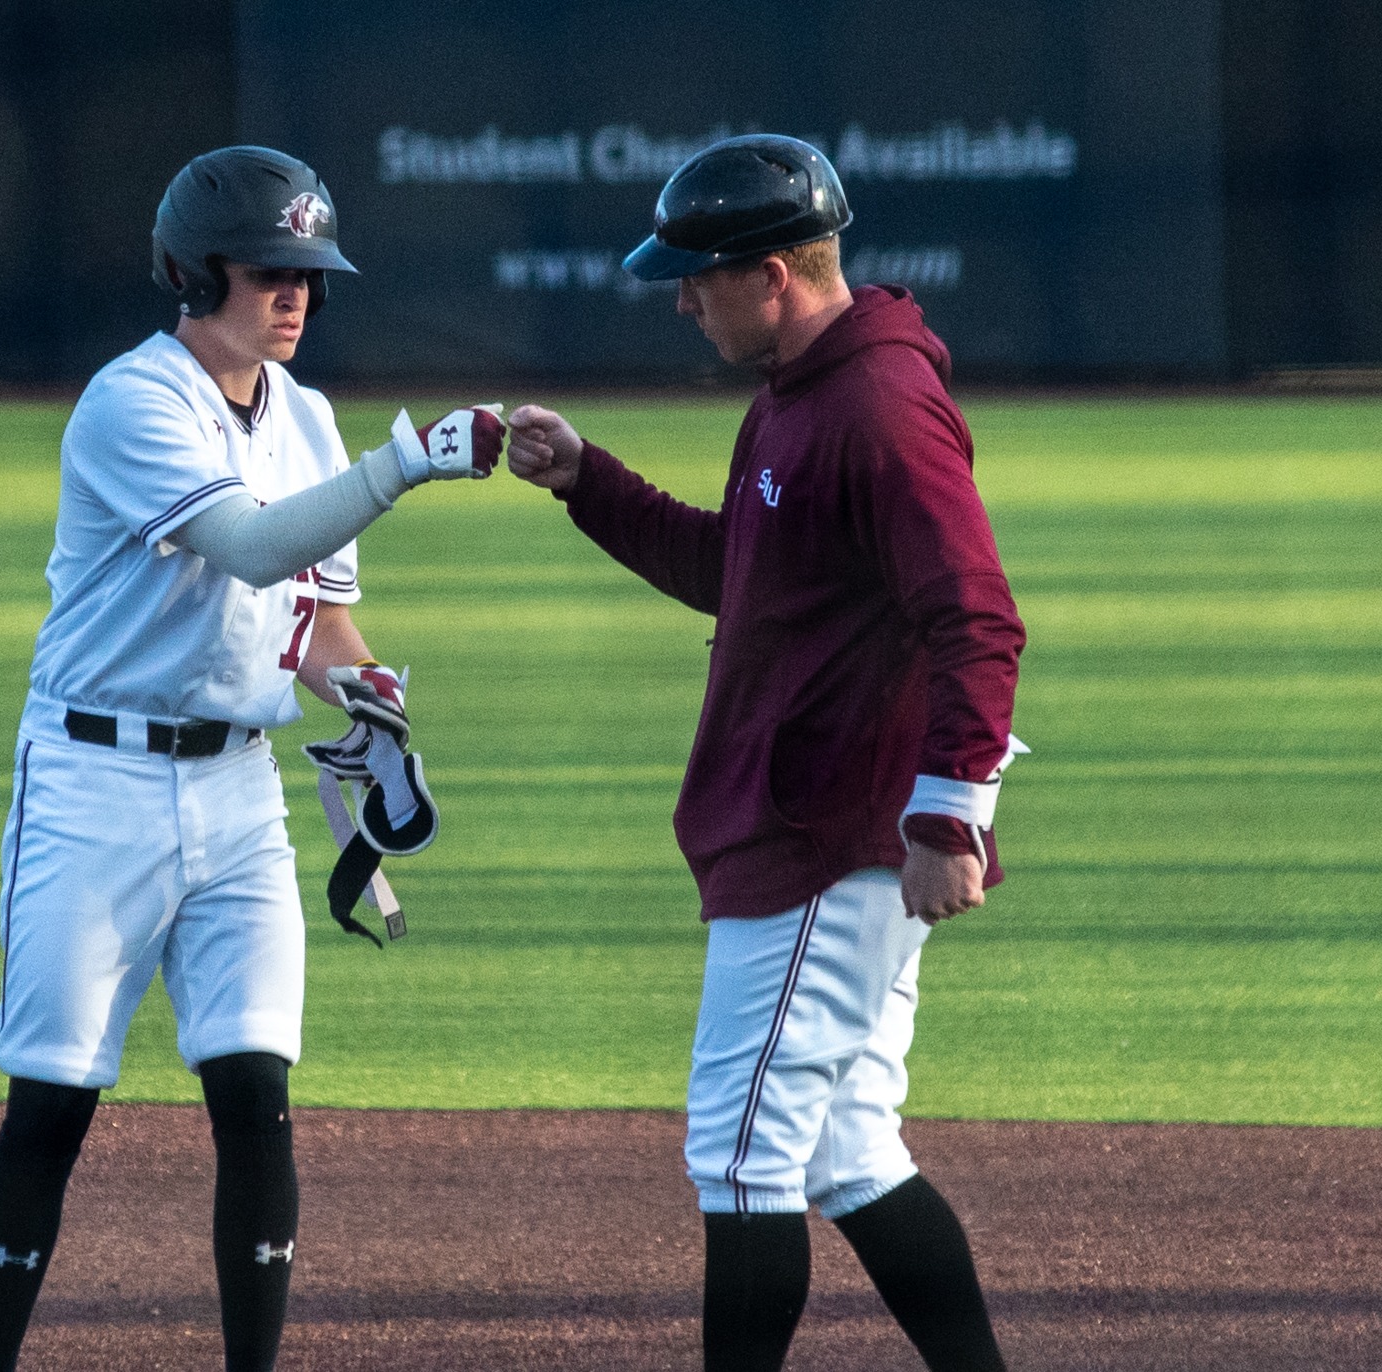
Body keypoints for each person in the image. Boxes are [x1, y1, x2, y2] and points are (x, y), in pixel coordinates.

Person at [0, 145, 504, 1372]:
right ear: (196, 271)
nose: (295, 293)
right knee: (51, 1102)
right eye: (270, 270)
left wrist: (373, 709)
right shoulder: (133, 402)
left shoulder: (303, 417)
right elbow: (252, 547)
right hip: (93, 784)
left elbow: (314, 622)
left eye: (308, 272)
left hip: (238, 790)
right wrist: (406, 463)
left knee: (256, 1097)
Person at [507, 134, 1025, 1372]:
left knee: (740, 1157)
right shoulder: (794, 398)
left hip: (822, 838)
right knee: (849, 1153)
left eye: (695, 278)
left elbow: (976, 616)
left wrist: (947, 816)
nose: (680, 301)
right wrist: (588, 481)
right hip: (815, 825)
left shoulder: (877, 408)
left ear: (772, 275)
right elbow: (732, 574)